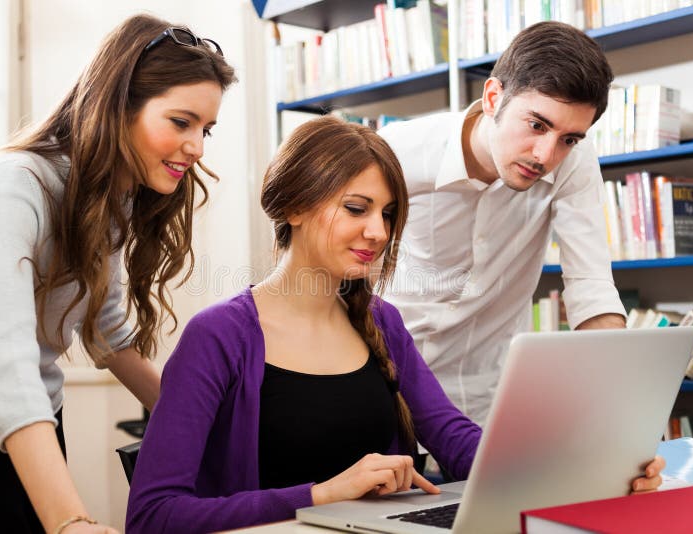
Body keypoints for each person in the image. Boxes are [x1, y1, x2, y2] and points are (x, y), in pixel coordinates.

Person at [125, 116, 664, 534]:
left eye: (388, 215)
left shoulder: (380, 322)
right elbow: (153, 515)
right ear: (293, 206)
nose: (378, 232)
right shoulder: (218, 336)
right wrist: (320, 494)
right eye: (357, 208)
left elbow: (452, 439)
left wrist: (584, 468)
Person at [0, 14, 235, 534]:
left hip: (37, 423)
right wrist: (70, 520)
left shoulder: (106, 196)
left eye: (205, 129)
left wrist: (201, 427)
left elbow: (105, 329)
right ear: (119, 107)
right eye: (181, 122)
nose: (198, 147)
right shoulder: (12, 187)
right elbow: (2, 368)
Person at [379, 21, 627, 426]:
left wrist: (619, 409)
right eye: (537, 125)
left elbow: (591, 286)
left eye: (569, 138)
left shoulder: (575, 160)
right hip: (387, 383)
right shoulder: (398, 152)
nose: (546, 155)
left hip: (488, 395)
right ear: (493, 97)